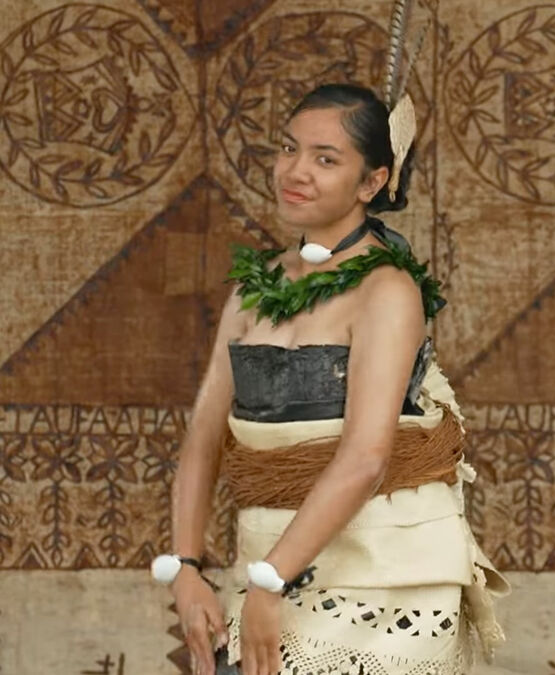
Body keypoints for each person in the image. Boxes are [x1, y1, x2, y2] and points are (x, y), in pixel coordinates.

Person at [151, 74, 507, 675]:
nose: (296, 172)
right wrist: (186, 569)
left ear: (373, 181)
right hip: (271, 563)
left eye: (325, 158)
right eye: (289, 148)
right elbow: (204, 438)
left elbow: (366, 456)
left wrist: (271, 583)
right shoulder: (251, 292)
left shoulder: (387, 290)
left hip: (386, 575)